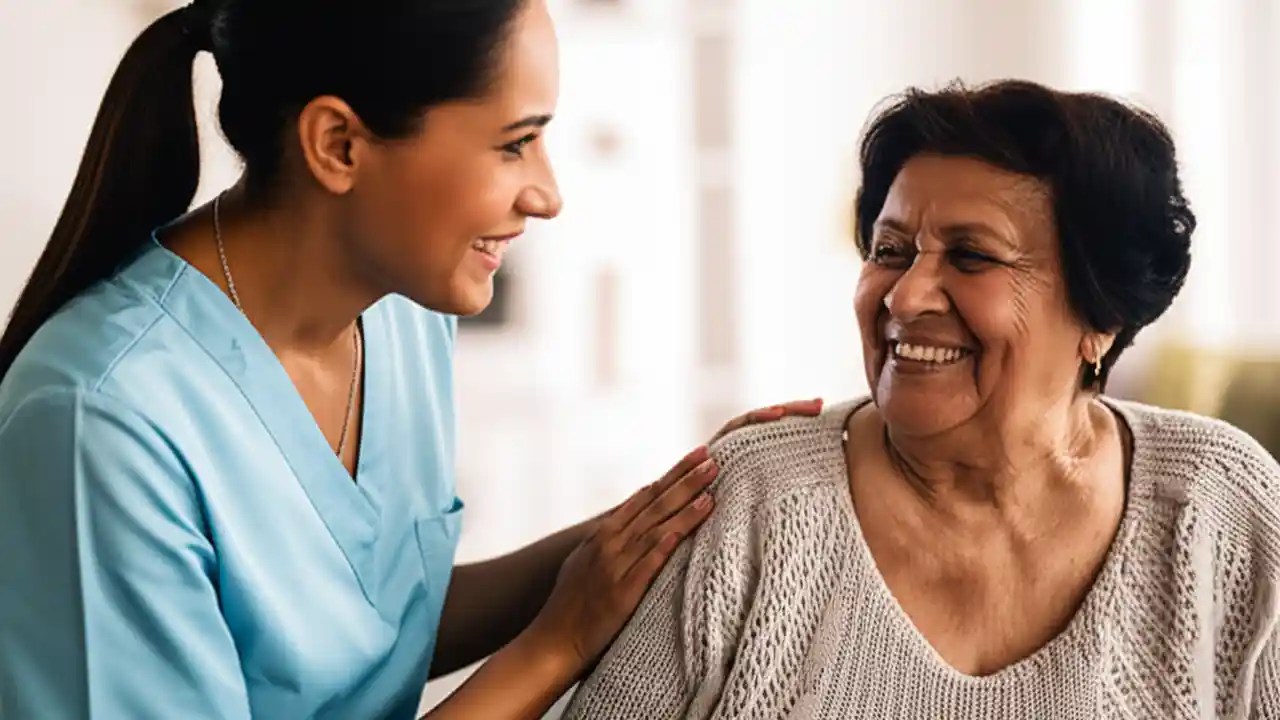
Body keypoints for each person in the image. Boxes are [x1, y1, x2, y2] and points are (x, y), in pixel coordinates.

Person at [0, 1, 823, 718]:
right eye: (515, 144)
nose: (548, 194)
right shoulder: (100, 423)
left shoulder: (400, 314)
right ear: (339, 145)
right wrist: (556, 644)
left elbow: (372, 629)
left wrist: (678, 511)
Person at [565, 80, 1280, 719]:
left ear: (1102, 317)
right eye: (890, 252)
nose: (905, 297)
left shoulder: (1222, 503)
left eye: (971, 256)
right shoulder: (752, 499)